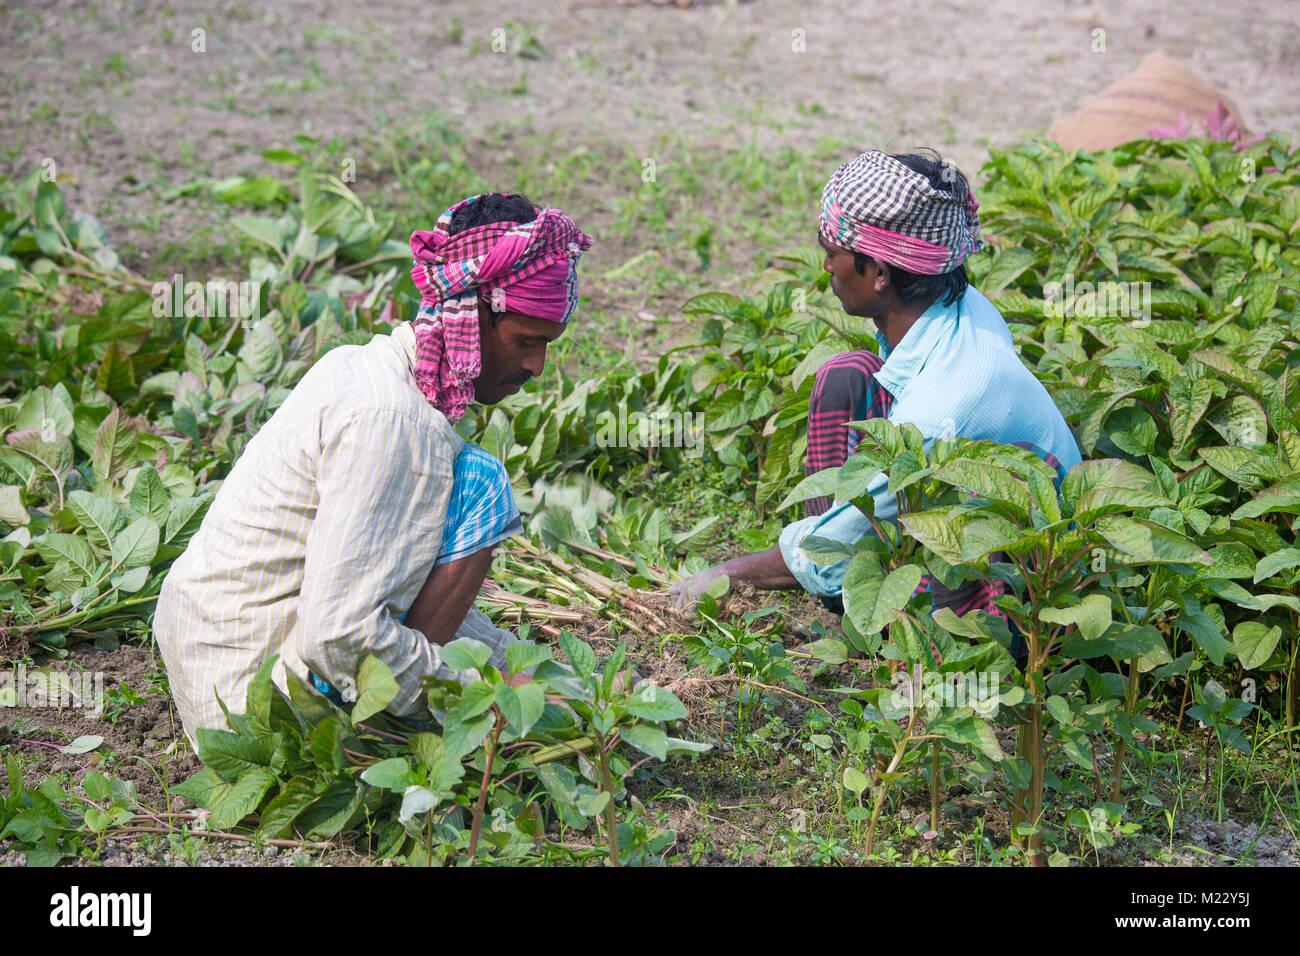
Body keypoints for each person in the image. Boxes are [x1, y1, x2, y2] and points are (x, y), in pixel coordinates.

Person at [155, 193, 593, 747]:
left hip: (216, 665)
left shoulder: (360, 367)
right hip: (258, 716)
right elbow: (340, 636)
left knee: (463, 482)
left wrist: (531, 674)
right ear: (469, 314)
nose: (536, 366)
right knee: (481, 488)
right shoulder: (393, 423)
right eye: (527, 341)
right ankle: (391, 726)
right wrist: (494, 696)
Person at [670, 149, 1082, 623]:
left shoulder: (938, 413)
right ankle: (839, 589)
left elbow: (848, 524)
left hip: (1030, 569)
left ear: (881, 274)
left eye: (832, 254)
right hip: (961, 484)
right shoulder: (958, 299)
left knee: (954, 563)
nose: (826, 267)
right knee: (846, 377)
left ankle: (929, 645)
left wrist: (727, 573)